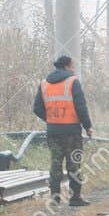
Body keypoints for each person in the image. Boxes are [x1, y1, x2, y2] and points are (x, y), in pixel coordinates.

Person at [33, 54, 93, 206]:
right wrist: (87, 126)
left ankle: (54, 199)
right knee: (74, 164)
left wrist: (51, 119)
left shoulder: (44, 83)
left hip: (53, 131)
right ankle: (75, 198)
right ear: (67, 66)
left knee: (55, 164)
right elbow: (81, 107)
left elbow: (37, 108)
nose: (73, 68)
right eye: (72, 65)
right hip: (72, 131)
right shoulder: (73, 81)